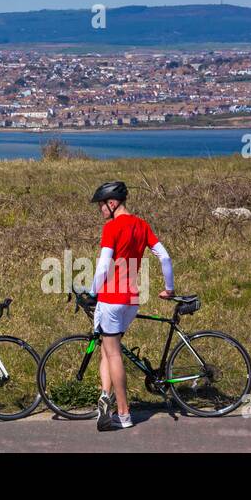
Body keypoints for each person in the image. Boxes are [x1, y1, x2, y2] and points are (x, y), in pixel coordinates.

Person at [85, 181, 174, 431]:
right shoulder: (141, 224)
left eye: (101, 205)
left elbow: (103, 266)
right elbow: (164, 257)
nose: (100, 210)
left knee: (113, 354)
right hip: (131, 299)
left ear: (112, 204)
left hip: (112, 298)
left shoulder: (112, 227)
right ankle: (104, 397)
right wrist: (169, 289)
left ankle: (123, 414)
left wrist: (93, 291)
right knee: (107, 348)